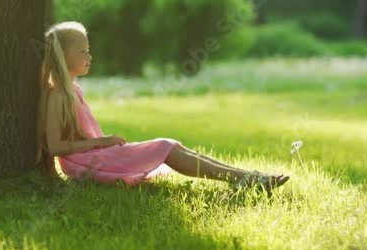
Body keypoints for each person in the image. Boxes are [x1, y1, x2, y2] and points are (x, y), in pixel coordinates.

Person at [37, 21, 289, 192]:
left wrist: (103, 143)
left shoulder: (74, 90)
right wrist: (101, 142)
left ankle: (246, 176)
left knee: (172, 146)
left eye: (88, 50)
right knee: (165, 146)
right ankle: (246, 178)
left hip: (97, 155)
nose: (89, 56)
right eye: (82, 51)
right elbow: (56, 146)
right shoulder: (58, 95)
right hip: (86, 162)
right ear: (63, 56)